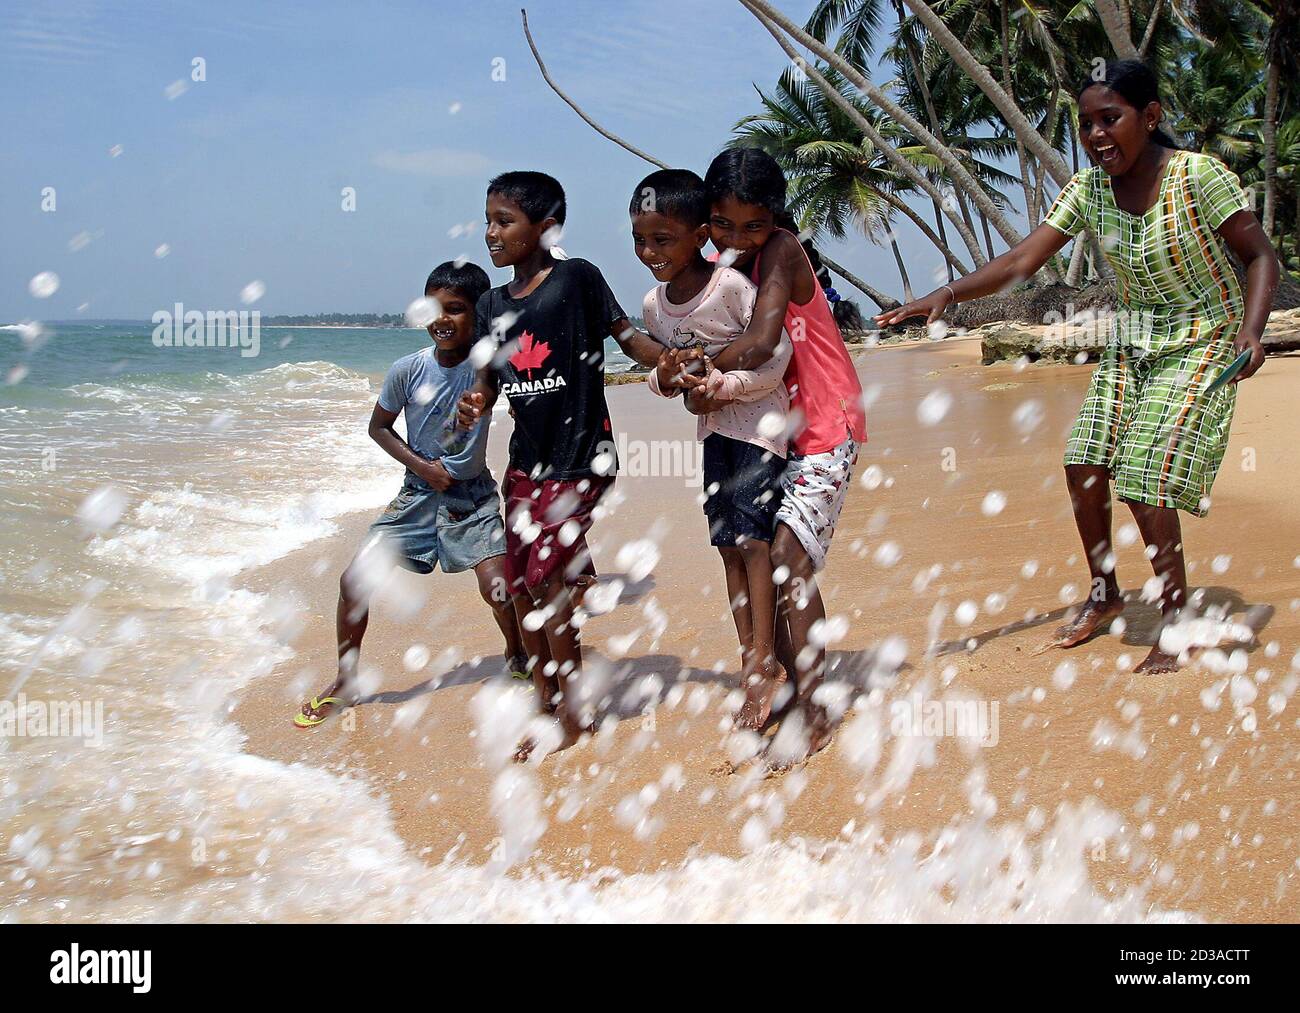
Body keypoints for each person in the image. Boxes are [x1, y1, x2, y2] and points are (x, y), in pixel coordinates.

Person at [875, 59, 1279, 675]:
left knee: (1145, 474)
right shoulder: (1088, 191)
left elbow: (1259, 257)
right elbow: (1020, 262)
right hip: (1134, 339)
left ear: (1150, 117)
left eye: (1109, 119)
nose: (1096, 136)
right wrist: (947, 296)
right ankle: (1105, 590)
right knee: (1084, 460)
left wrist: (1251, 332)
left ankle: (1174, 614)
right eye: (1086, 124)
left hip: (1205, 338)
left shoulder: (1200, 176)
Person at [456, 170, 668, 760]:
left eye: (505, 221)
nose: (491, 234)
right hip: (526, 467)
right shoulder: (490, 304)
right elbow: (485, 383)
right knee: (522, 588)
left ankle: (574, 715)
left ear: (546, 228)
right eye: (488, 220)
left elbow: (629, 337)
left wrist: (669, 360)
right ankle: (546, 696)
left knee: (547, 585)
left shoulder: (577, 279)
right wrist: (474, 404)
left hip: (583, 459)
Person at [669, 147, 867, 765]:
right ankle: (777, 684)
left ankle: (814, 707)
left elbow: (758, 342)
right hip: (767, 429)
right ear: (707, 222)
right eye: (723, 225)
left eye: (752, 224)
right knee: (751, 553)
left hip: (827, 421)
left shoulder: (780, 250)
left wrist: (691, 370)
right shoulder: (718, 273)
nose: (738, 237)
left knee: (786, 557)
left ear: (775, 218)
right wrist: (687, 380)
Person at [295, 261, 524, 728]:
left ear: (477, 316)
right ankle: (345, 680)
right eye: (435, 309)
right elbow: (378, 427)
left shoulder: (489, 370)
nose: (443, 320)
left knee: (497, 589)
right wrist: (423, 467)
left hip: (472, 499)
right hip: (416, 494)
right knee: (352, 583)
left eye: (456, 310)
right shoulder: (407, 370)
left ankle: (518, 653)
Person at [632, 167, 793, 731]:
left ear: (700, 234)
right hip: (715, 439)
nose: (650, 251)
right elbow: (659, 372)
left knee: (754, 545)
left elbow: (774, 358)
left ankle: (763, 664)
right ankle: (749, 652)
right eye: (640, 239)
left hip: (761, 433)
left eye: (663, 238)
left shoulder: (729, 288)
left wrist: (718, 388)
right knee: (727, 546)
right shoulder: (654, 306)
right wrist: (670, 381)